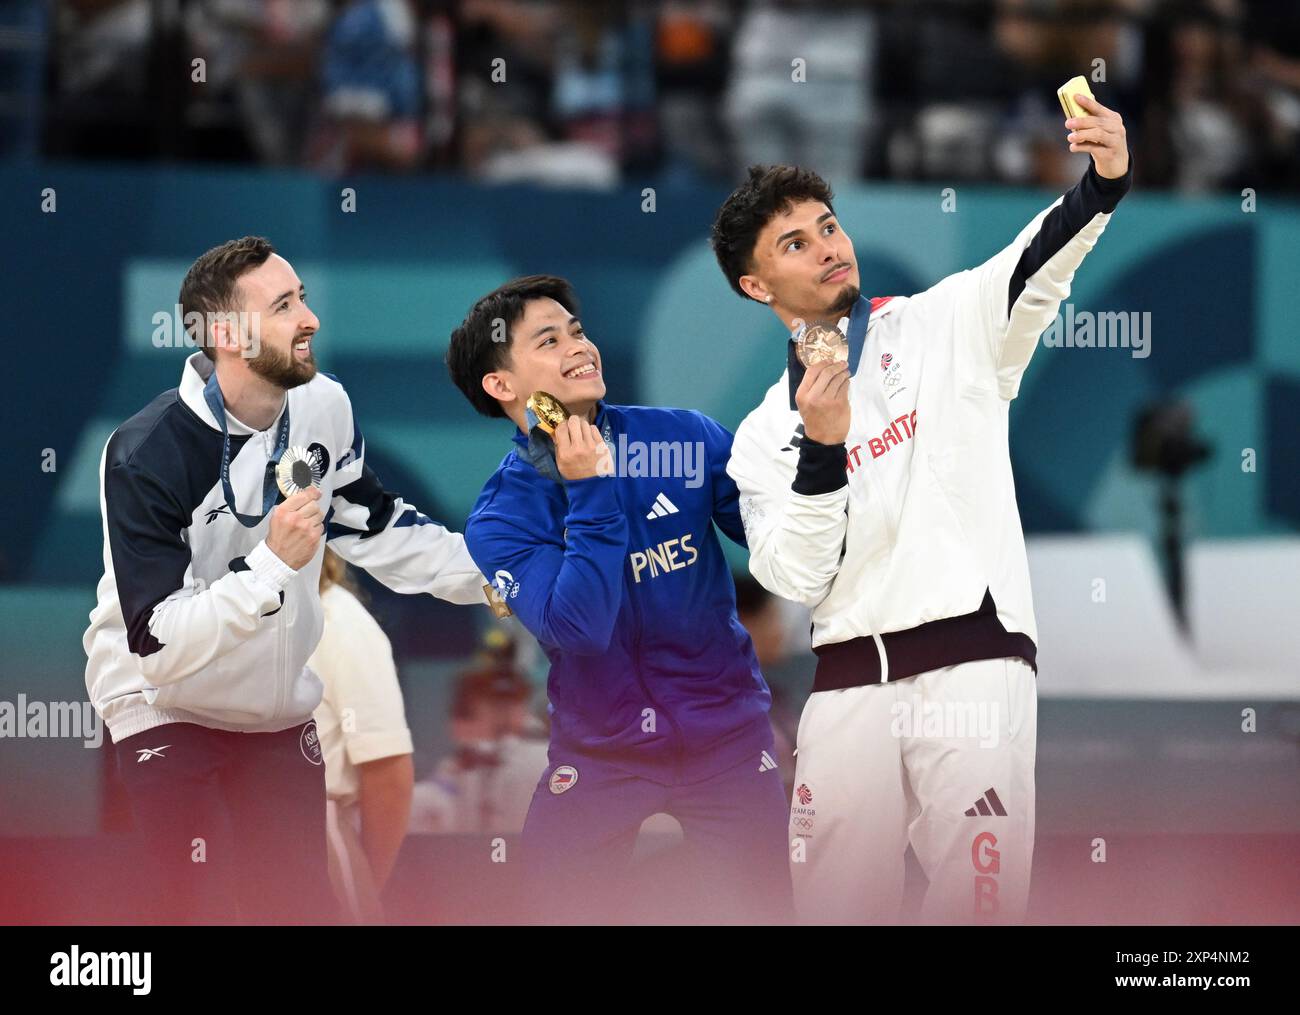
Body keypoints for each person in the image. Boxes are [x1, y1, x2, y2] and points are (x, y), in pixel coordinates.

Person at [711, 95, 1132, 923]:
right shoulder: (761, 437)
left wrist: (1105, 180)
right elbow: (795, 574)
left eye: (828, 226)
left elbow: (1038, 263)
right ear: (755, 284)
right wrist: (822, 447)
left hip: (974, 664)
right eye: (796, 242)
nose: (828, 248)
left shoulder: (946, 324)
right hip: (843, 695)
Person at [84, 236, 488, 924]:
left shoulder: (324, 405)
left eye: (301, 296)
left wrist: (494, 579)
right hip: (165, 699)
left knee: (298, 908)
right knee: (189, 904)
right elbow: (159, 640)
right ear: (226, 334)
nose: (311, 319)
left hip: (273, 712)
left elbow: (374, 525)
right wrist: (270, 566)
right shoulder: (145, 452)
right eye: (284, 305)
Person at [445, 275, 791, 924]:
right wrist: (592, 488)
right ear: (501, 385)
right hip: (599, 755)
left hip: (730, 742)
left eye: (577, 330)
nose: (580, 346)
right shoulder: (499, 519)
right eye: (549, 340)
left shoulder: (683, 439)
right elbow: (579, 627)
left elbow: (786, 545)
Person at [309, 548, 415, 924]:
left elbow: (388, 774)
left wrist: (362, 884)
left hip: (313, 840)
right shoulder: (219, 615)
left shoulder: (338, 620)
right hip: (227, 833)